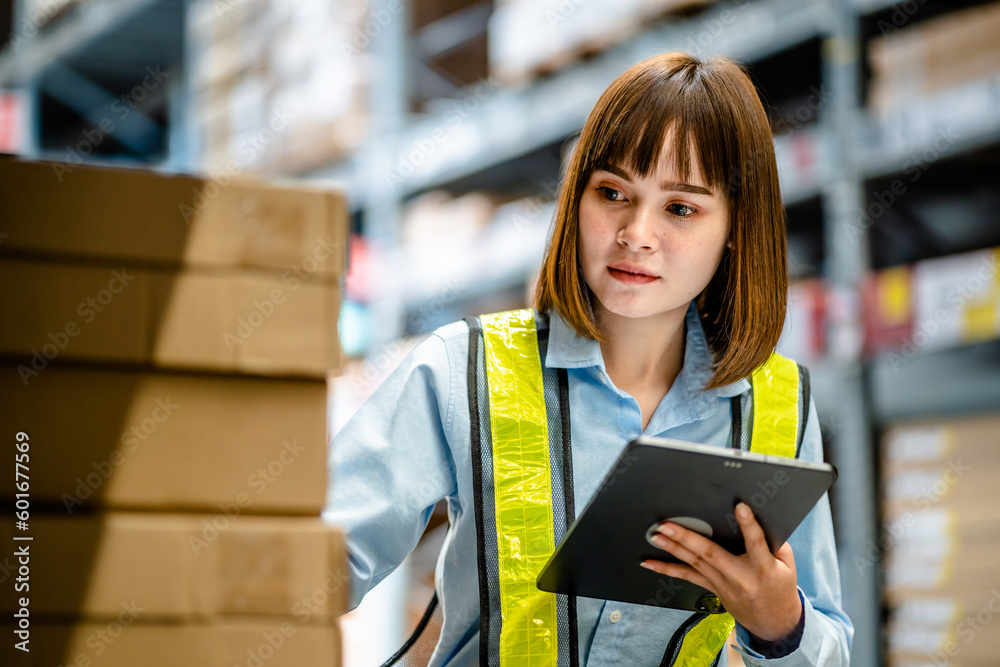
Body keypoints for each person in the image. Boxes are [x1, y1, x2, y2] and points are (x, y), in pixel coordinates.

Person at [326, 51, 853, 666]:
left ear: (736, 226)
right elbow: (315, 565)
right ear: (577, 200)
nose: (636, 233)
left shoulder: (781, 407)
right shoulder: (463, 368)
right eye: (612, 193)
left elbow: (831, 647)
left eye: (680, 208)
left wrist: (779, 625)